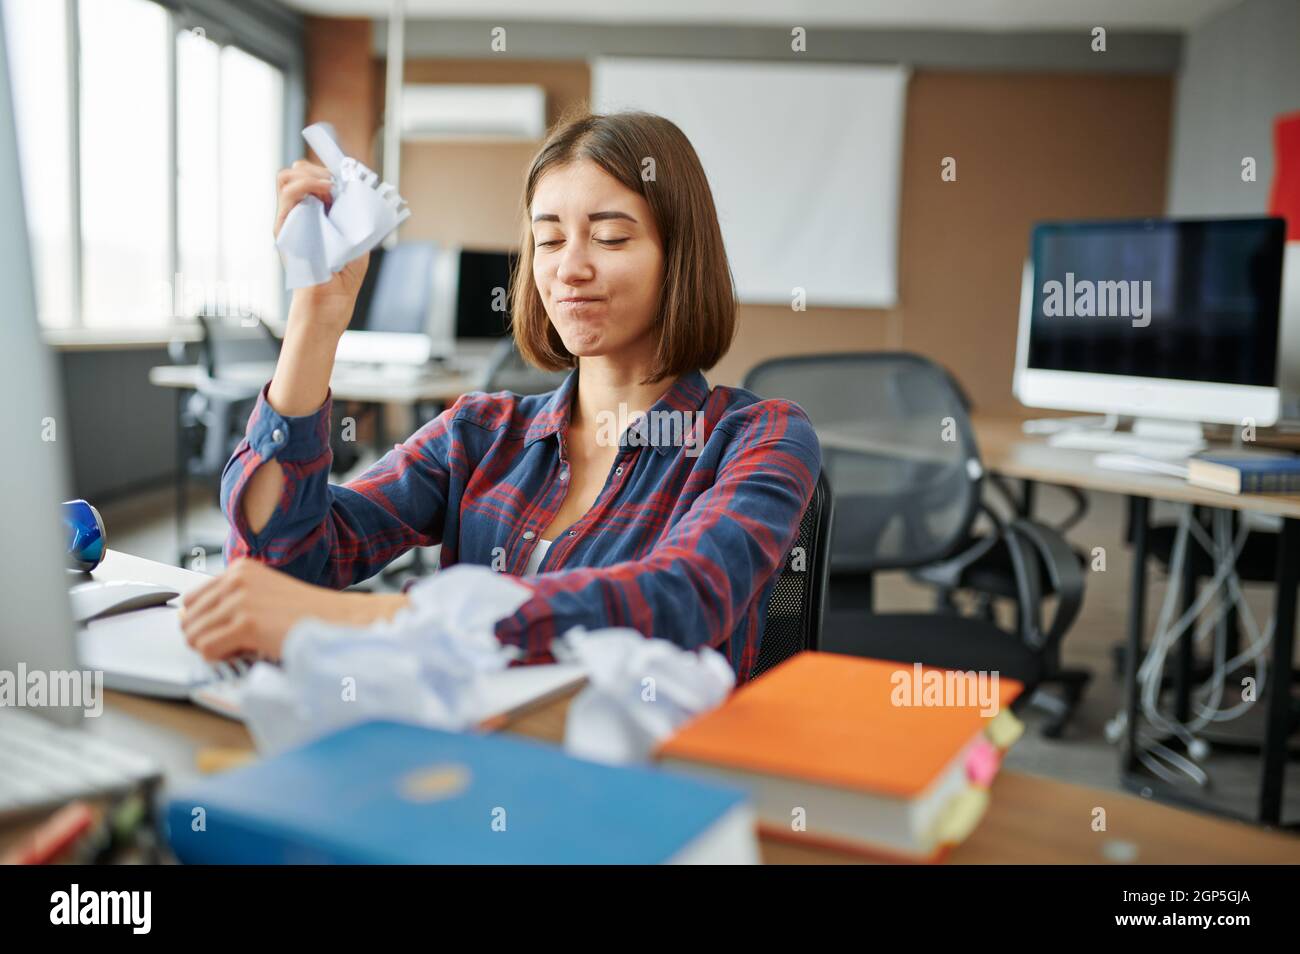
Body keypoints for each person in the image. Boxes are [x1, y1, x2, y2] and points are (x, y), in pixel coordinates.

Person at [179, 109, 821, 683]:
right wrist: (315, 319)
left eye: (610, 237)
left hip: (639, 778)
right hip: (471, 761)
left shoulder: (761, 435)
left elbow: (684, 599)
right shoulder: (482, 430)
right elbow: (281, 565)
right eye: (548, 239)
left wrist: (368, 618)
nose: (569, 267)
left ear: (679, 256)